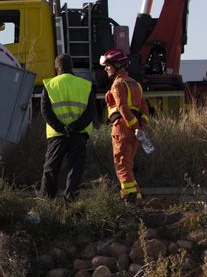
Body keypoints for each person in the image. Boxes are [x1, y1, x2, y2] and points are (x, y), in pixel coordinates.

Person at [39, 54, 96, 200]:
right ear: (72, 67)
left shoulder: (49, 85)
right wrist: (75, 127)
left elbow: (46, 111)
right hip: (79, 134)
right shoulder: (85, 85)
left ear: (56, 68)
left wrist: (61, 128)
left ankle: (46, 201)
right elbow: (91, 113)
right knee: (75, 168)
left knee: (51, 169)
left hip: (57, 135)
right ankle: (71, 200)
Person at [101, 49, 147, 203]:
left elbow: (123, 108)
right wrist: (140, 129)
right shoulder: (136, 84)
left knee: (121, 166)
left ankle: (130, 199)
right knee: (127, 166)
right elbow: (145, 110)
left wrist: (134, 127)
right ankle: (137, 199)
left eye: (108, 65)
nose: (106, 68)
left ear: (117, 65)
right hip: (135, 132)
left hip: (122, 128)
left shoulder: (118, 84)